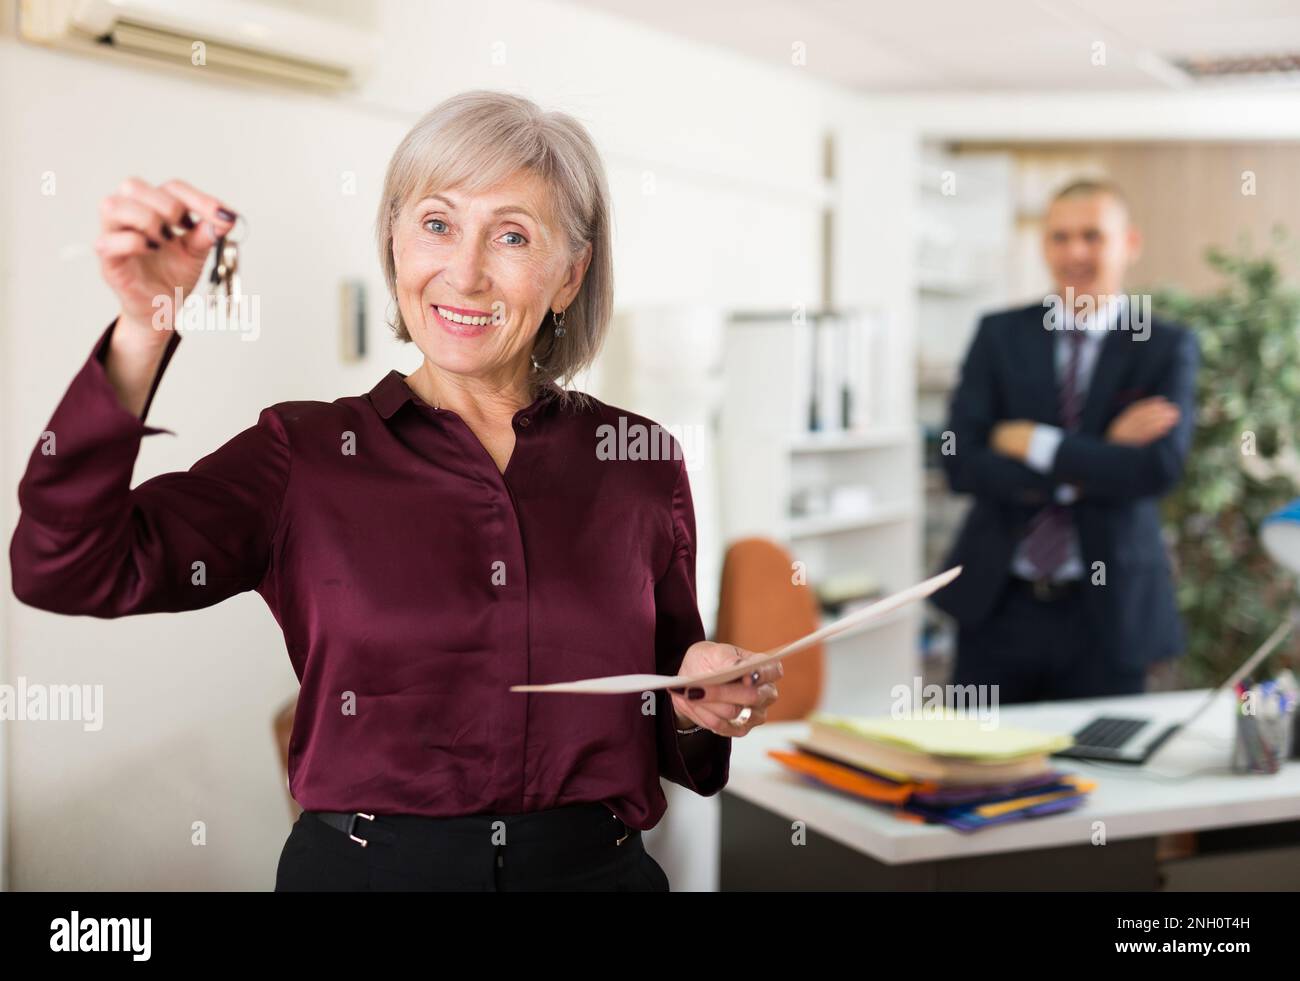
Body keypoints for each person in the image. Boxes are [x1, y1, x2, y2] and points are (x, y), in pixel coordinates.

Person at [8, 89, 781, 891]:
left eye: (512, 235)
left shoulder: (640, 460)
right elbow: (65, 565)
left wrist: (698, 704)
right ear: (395, 241)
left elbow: (667, 706)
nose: (466, 271)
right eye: (438, 224)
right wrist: (144, 325)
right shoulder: (302, 455)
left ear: (569, 275)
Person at [930, 178, 1199, 704]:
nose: (1074, 252)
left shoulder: (1164, 345)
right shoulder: (1000, 334)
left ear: (1129, 244)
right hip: (999, 605)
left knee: (1104, 774)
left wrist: (1034, 442)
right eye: (1060, 237)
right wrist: (1103, 450)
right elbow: (961, 463)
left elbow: (1156, 470)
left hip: (1109, 611)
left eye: (1093, 236)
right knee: (975, 771)